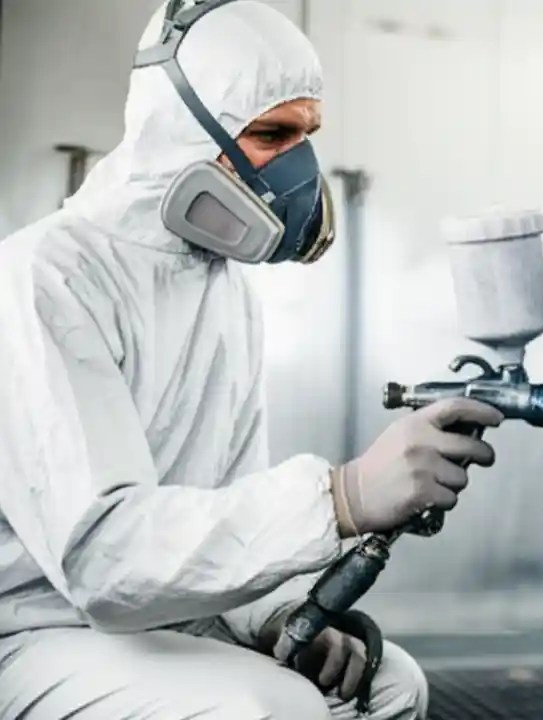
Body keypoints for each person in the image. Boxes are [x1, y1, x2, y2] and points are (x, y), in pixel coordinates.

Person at [0, 1, 503, 717]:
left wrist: (279, 614)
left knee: (390, 687)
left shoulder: (224, 290)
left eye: (307, 135)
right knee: (272, 709)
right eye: (272, 134)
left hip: (162, 622)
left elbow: (221, 504)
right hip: (38, 630)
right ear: (180, 136)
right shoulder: (46, 276)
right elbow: (102, 559)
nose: (299, 169)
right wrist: (343, 498)